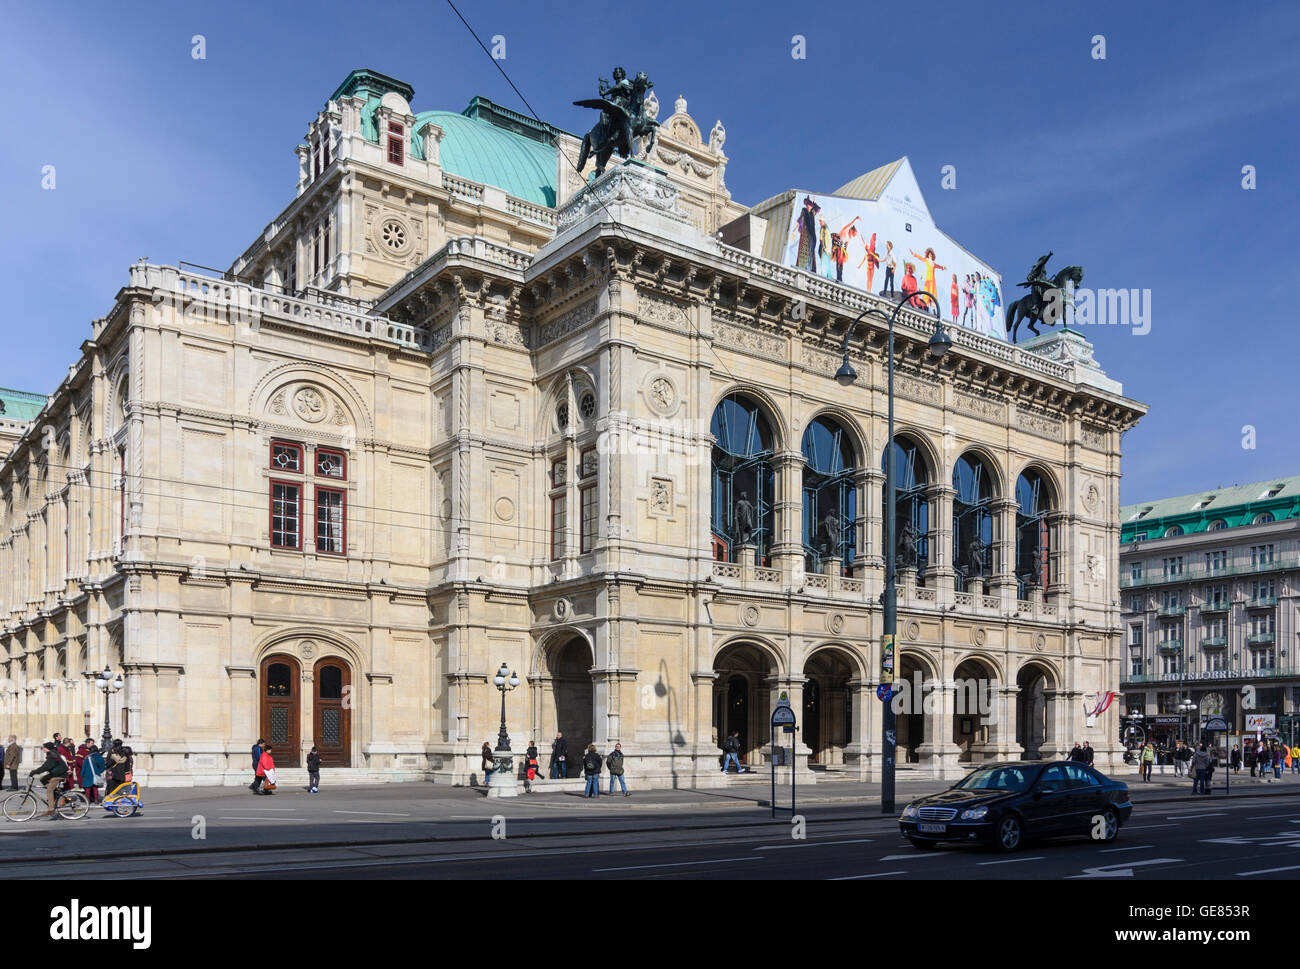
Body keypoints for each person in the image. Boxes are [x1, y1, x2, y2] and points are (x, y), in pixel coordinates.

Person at [31, 742, 69, 819]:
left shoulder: (52, 755)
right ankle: (54, 792)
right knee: (42, 778)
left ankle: (51, 809)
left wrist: (34, 772)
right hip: (56, 772)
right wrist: (36, 771)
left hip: (60, 774)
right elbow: (46, 765)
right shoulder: (51, 754)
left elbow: (46, 766)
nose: (42, 749)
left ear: (47, 748)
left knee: (49, 790)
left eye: (43, 747)